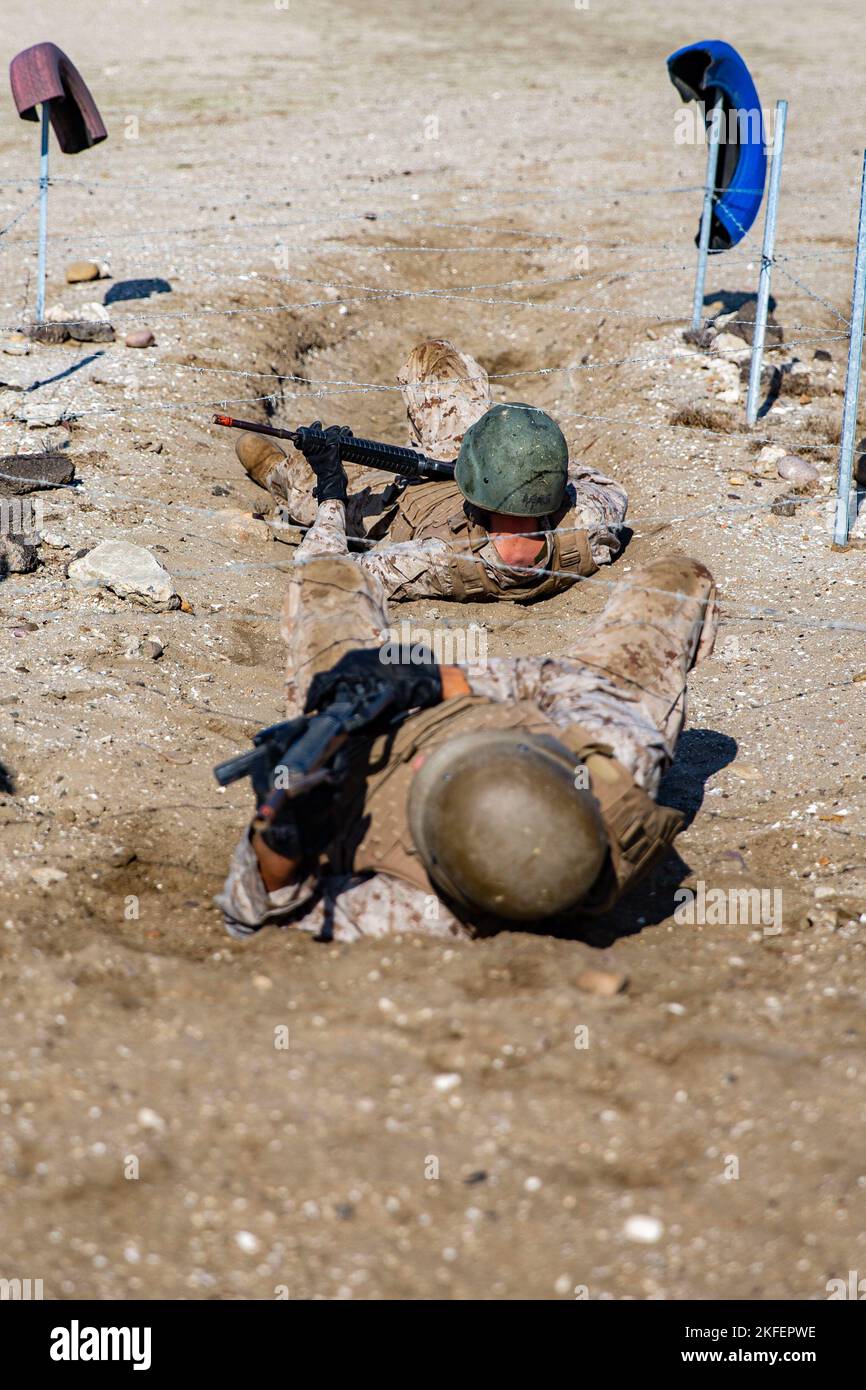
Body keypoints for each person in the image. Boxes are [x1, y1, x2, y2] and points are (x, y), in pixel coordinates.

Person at [216, 432, 717, 942]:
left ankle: (291, 480)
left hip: (367, 722)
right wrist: (450, 682)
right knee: (679, 580)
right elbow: (567, 681)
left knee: (326, 580)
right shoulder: (619, 759)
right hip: (489, 711)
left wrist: (281, 830)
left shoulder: (402, 907)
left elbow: (251, 910)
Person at [234, 339, 628, 603]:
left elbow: (322, 585)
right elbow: (603, 486)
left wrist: (333, 493)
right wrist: (522, 460)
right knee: (441, 363)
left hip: (401, 504)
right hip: (479, 483)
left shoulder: (436, 558)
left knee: (308, 479)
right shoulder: (589, 525)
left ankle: (275, 473)